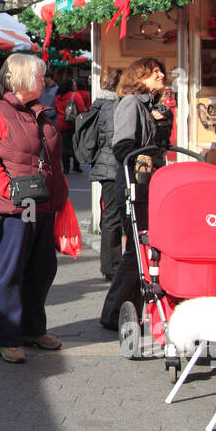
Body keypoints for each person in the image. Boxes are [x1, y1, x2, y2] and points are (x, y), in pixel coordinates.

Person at [0, 54, 68, 363]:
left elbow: (53, 159)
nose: (44, 81)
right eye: (39, 77)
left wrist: (60, 198)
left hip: (43, 205)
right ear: (22, 79)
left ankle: (32, 329)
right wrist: (10, 192)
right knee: (11, 273)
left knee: (42, 270)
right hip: (14, 208)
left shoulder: (39, 112)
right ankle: (8, 338)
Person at [98, 58, 174, 332]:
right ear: (139, 76)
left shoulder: (152, 106)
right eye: (154, 71)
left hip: (150, 186)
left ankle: (126, 311)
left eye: (161, 71)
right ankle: (114, 312)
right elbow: (123, 146)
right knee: (137, 251)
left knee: (142, 250)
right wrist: (144, 159)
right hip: (134, 187)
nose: (161, 75)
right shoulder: (131, 103)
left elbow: (159, 144)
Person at [88, 66, 124, 281]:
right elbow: (116, 139)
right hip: (114, 166)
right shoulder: (114, 106)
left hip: (105, 164)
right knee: (113, 216)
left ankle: (111, 264)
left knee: (109, 214)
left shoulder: (101, 104)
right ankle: (112, 265)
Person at [53, 76, 90, 173]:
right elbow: (81, 109)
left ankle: (66, 168)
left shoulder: (58, 97)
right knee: (75, 144)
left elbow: (56, 108)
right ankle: (76, 166)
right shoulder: (75, 95)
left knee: (64, 146)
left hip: (61, 122)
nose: (75, 87)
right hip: (74, 122)